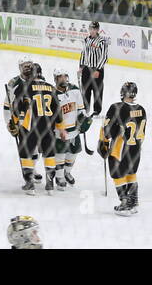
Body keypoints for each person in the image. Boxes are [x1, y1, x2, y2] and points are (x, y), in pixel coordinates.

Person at [9, 63, 61, 195]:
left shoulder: (24, 86)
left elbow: (16, 107)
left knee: (25, 152)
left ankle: (30, 184)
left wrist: (14, 122)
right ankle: (50, 184)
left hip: (30, 126)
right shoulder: (51, 88)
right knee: (49, 153)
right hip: (48, 126)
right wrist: (60, 126)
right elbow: (57, 110)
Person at [98, 81, 146, 216]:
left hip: (120, 148)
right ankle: (133, 201)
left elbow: (108, 129)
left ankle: (125, 202)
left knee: (117, 173)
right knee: (131, 172)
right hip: (136, 148)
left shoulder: (116, 107)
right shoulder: (141, 109)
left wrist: (104, 141)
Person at [52, 68, 87, 188]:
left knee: (73, 153)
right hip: (60, 130)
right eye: (60, 77)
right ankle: (59, 176)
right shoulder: (53, 94)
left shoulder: (75, 90)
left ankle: (67, 172)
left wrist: (83, 118)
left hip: (74, 129)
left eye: (65, 76)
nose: (63, 79)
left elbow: (81, 108)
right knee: (60, 154)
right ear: (55, 79)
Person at [78, 20, 108, 117]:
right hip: (87, 69)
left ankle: (97, 111)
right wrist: (81, 67)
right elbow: (83, 54)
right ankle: (85, 109)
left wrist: (98, 70)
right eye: (91, 29)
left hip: (96, 69)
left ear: (98, 30)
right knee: (85, 90)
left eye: (94, 29)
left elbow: (104, 57)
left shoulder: (102, 41)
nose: (92, 31)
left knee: (97, 90)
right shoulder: (86, 39)